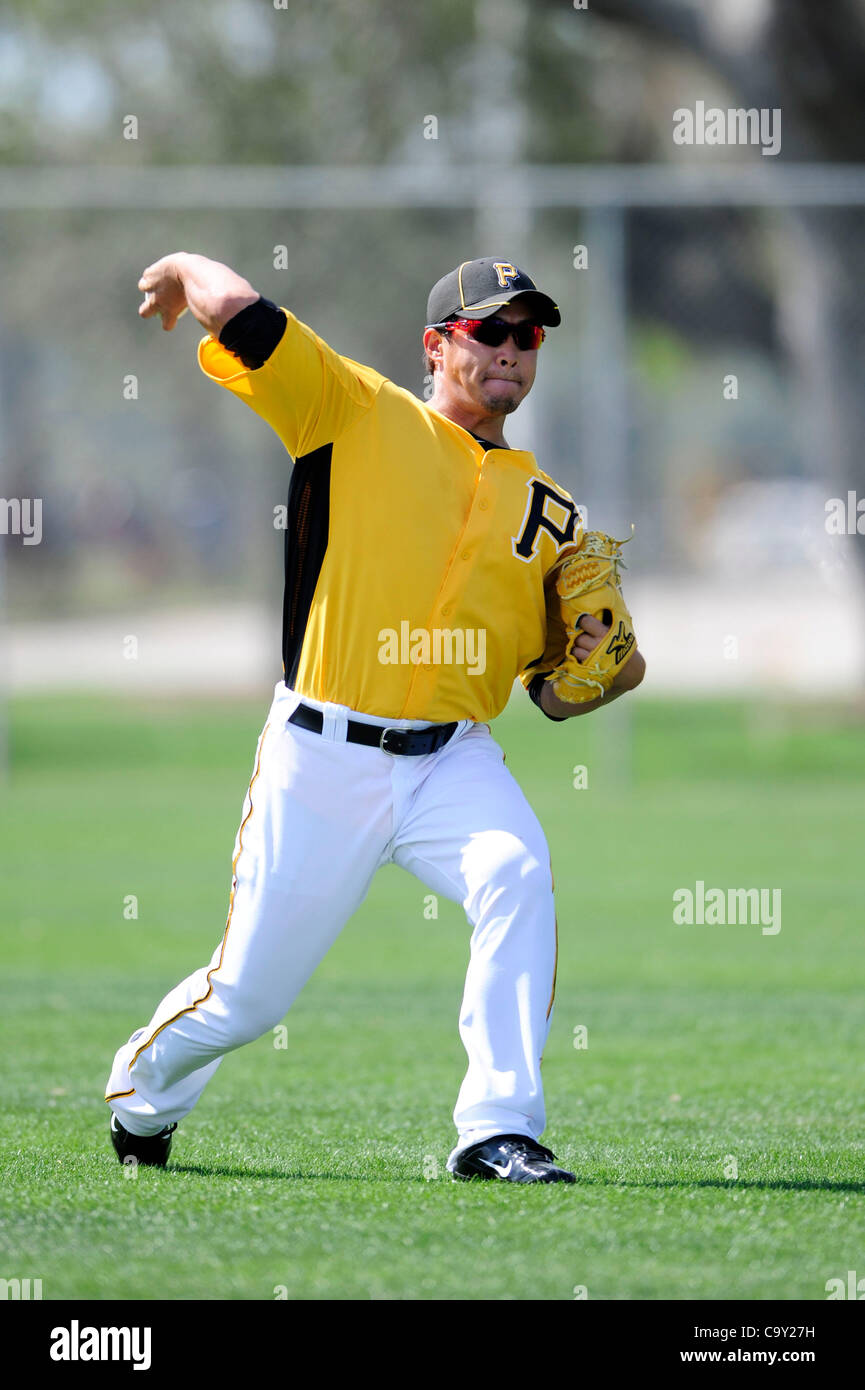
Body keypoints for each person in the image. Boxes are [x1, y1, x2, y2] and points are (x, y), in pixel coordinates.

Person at [105, 254, 645, 1184]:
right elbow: (236, 308)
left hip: (452, 760)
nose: (515, 349)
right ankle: (142, 1096)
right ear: (437, 347)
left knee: (516, 875)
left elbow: (561, 691)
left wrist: (607, 661)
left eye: (531, 334)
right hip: (322, 753)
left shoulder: (549, 510)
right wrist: (179, 268)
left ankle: (496, 1129)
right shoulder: (352, 410)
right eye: (492, 330)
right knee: (247, 999)